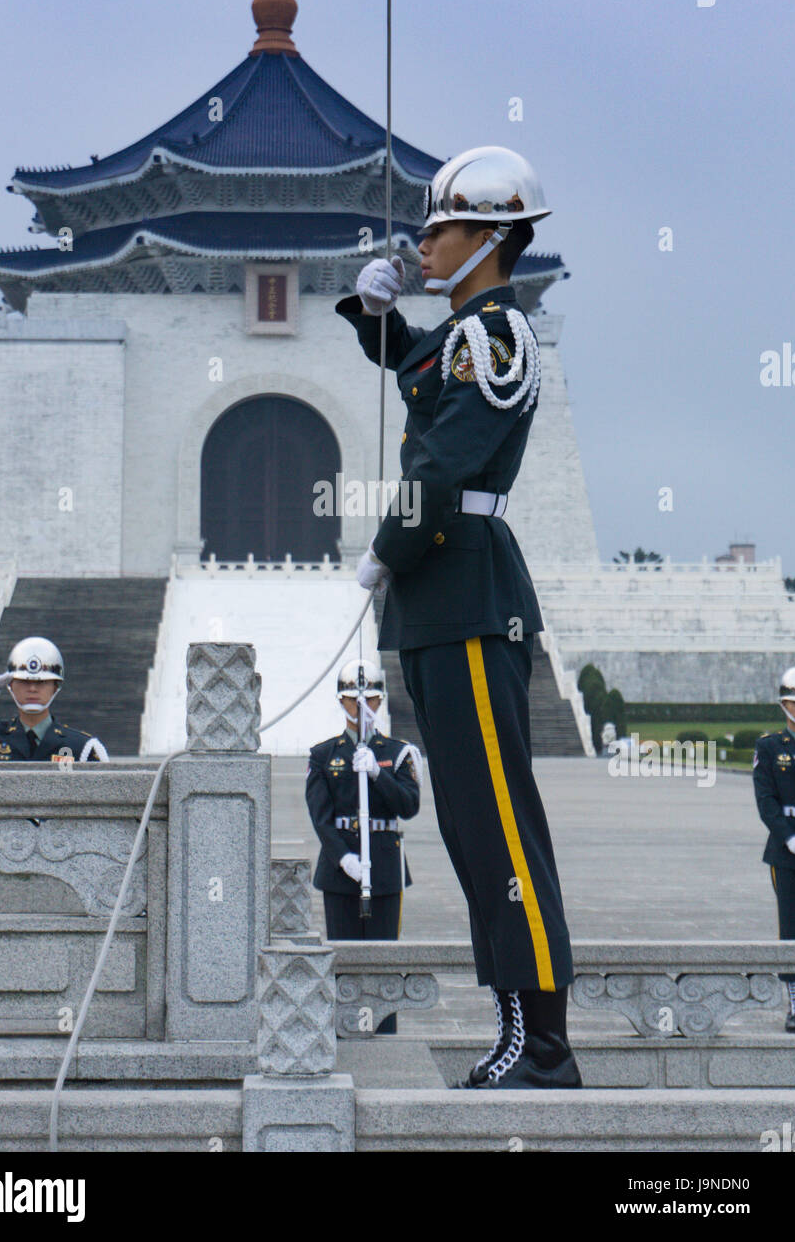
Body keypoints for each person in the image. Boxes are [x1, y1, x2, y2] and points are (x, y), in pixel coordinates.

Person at [335, 145, 581, 1088]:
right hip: (443, 598)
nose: (424, 242)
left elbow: (441, 468)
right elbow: (422, 372)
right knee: (472, 826)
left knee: (499, 826)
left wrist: (386, 550)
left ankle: (544, 1045)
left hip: (465, 588)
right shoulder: (466, 333)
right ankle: (518, 1031)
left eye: (439, 228)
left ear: (489, 237)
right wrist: (374, 311)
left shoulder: (501, 335)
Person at [305, 658, 421, 1033]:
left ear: (381, 701)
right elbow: (321, 819)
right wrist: (343, 858)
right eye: (353, 700)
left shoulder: (398, 752)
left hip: (384, 869)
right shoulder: (324, 755)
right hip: (342, 873)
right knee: (345, 961)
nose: (362, 707)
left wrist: (377, 772)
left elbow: (409, 806)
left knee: (383, 962)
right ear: (341, 703)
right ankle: (345, 1032)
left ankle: (383, 1034)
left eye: (370, 699)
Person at [0, 636, 108, 762]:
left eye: (41, 682)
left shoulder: (81, 747)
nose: (32, 689)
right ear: (10, 685)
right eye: (24, 681)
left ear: (55, 687)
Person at [752, 666, 795, 1031]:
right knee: (792, 927)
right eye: (793, 702)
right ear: (783, 704)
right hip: (787, 851)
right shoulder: (770, 747)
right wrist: (789, 837)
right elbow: (766, 800)